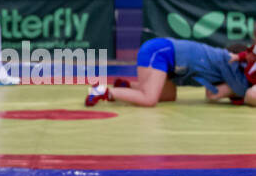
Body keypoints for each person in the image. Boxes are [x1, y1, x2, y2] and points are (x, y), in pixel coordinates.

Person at [85, 35, 254, 107]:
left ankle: (128, 86)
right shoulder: (234, 72)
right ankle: (105, 91)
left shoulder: (222, 62)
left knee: (168, 96)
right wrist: (237, 95)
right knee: (149, 100)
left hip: (165, 55)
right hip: (160, 53)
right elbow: (213, 95)